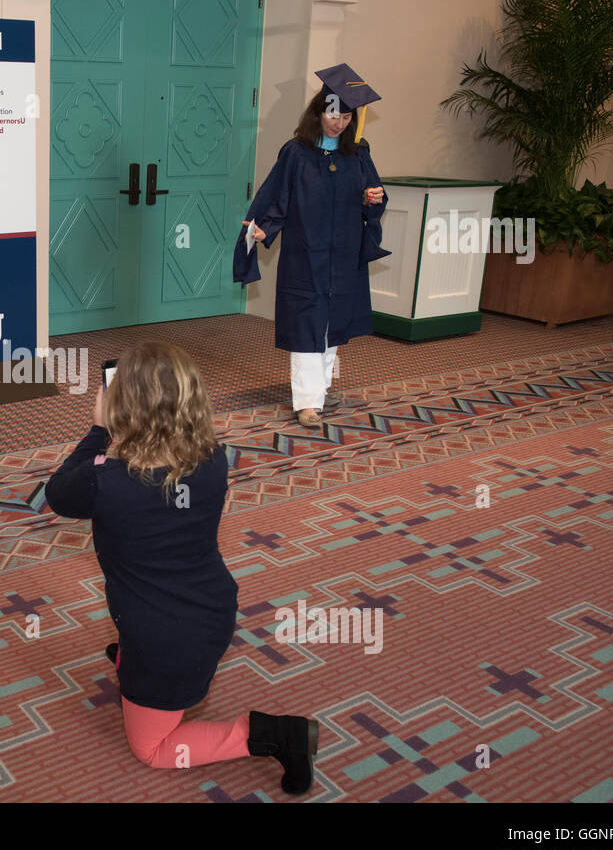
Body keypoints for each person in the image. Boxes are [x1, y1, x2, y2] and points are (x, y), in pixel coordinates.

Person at [45, 341, 319, 795]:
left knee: (151, 749)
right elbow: (158, 485)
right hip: (211, 613)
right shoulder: (214, 458)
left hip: (165, 642)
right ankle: (129, 660)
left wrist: (98, 432)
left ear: (122, 409)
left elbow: (57, 492)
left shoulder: (102, 482)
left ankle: (277, 736)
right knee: (149, 606)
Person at [234, 63, 390, 429]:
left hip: (344, 255)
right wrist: (263, 228)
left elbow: (376, 196)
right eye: (333, 113)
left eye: (346, 115)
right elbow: (277, 197)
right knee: (307, 324)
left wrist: (374, 198)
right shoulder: (297, 153)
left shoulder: (358, 155)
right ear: (319, 112)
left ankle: (318, 390)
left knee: (332, 323)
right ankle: (306, 402)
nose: (339, 122)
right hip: (306, 253)